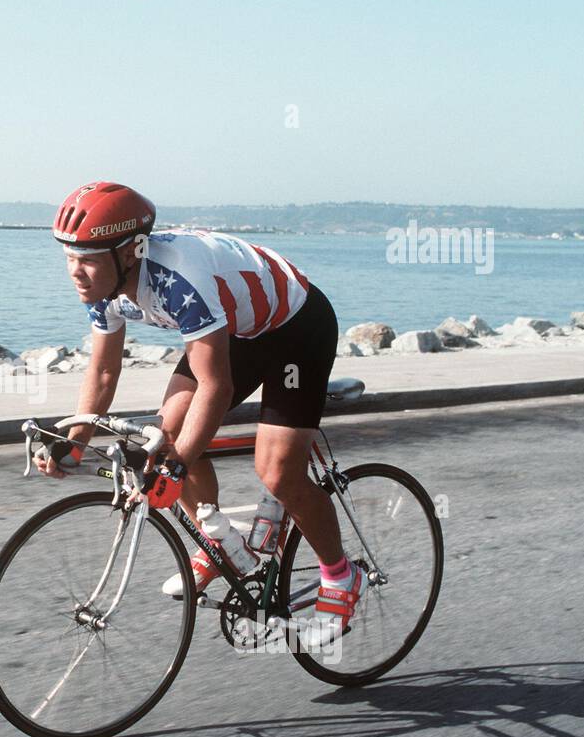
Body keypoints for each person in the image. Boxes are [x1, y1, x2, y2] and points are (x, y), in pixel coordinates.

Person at [34, 181, 360, 647]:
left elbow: (216, 384)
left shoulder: (178, 279)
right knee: (162, 439)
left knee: (276, 472)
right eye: (69, 257)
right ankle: (216, 544)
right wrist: (74, 440)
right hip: (237, 329)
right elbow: (104, 373)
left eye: (86, 259)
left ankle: (340, 576)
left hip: (295, 330)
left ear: (130, 251)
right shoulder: (104, 285)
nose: (75, 272)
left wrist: (178, 463)